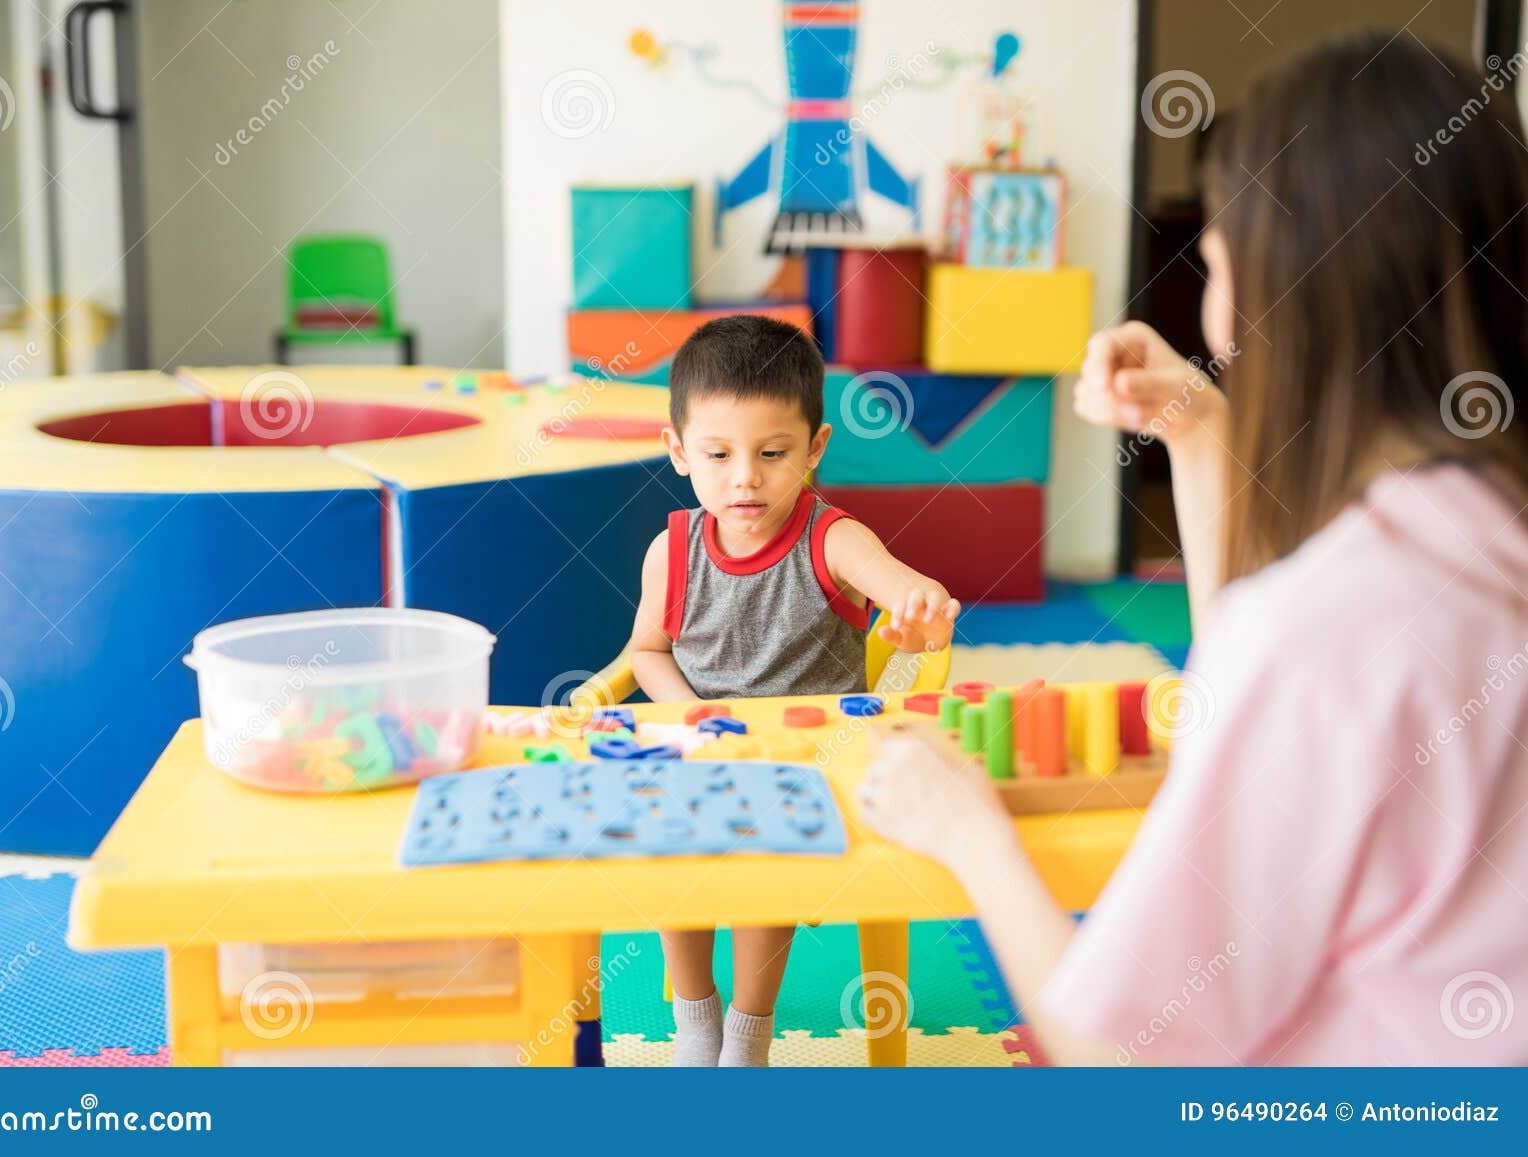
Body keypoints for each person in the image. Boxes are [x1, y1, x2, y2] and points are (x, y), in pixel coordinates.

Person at [859, 32, 1528, 1065]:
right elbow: (1260, 700)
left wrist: (964, 829)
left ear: (1281, 288)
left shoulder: (1326, 626)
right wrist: (1199, 431)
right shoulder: (1473, 540)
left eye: (1213, 263)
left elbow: (1121, 1055)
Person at [630, 314, 959, 1065]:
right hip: (703, 750)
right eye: (718, 454)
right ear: (679, 451)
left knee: (761, 859)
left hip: (808, 765)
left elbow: (903, 588)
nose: (745, 477)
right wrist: (690, 710)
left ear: (814, 448)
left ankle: (749, 1030)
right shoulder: (670, 551)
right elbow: (646, 652)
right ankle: (695, 1018)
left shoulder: (833, 538)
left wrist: (919, 610)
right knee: (665, 845)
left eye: (772, 453)